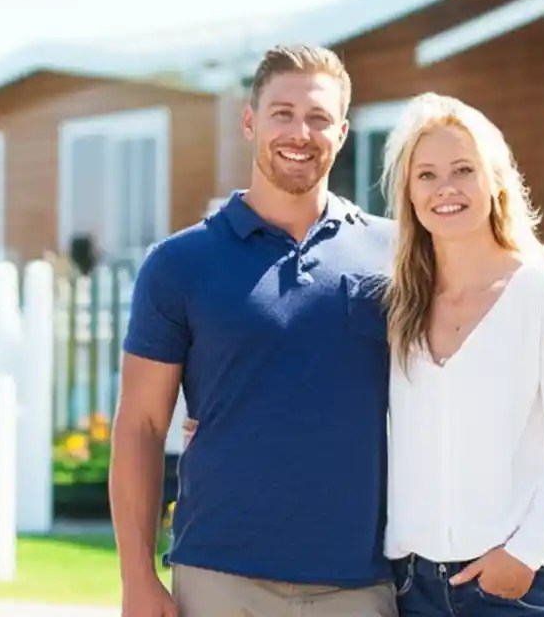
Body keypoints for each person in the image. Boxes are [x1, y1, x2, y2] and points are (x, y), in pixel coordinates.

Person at [109, 44, 398, 616]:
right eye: (282, 113)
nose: (300, 131)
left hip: (360, 582)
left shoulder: (393, 253)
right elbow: (141, 426)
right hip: (219, 576)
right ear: (250, 122)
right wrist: (136, 578)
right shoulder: (178, 263)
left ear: (341, 133)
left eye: (318, 118)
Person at [378, 93, 544, 615]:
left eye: (463, 170)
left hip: (524, 585)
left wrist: (523, 555)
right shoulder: (398, 303)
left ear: (496, 180)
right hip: (414, 588)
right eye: (426, 175)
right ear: (408, 192)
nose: (445, 189)